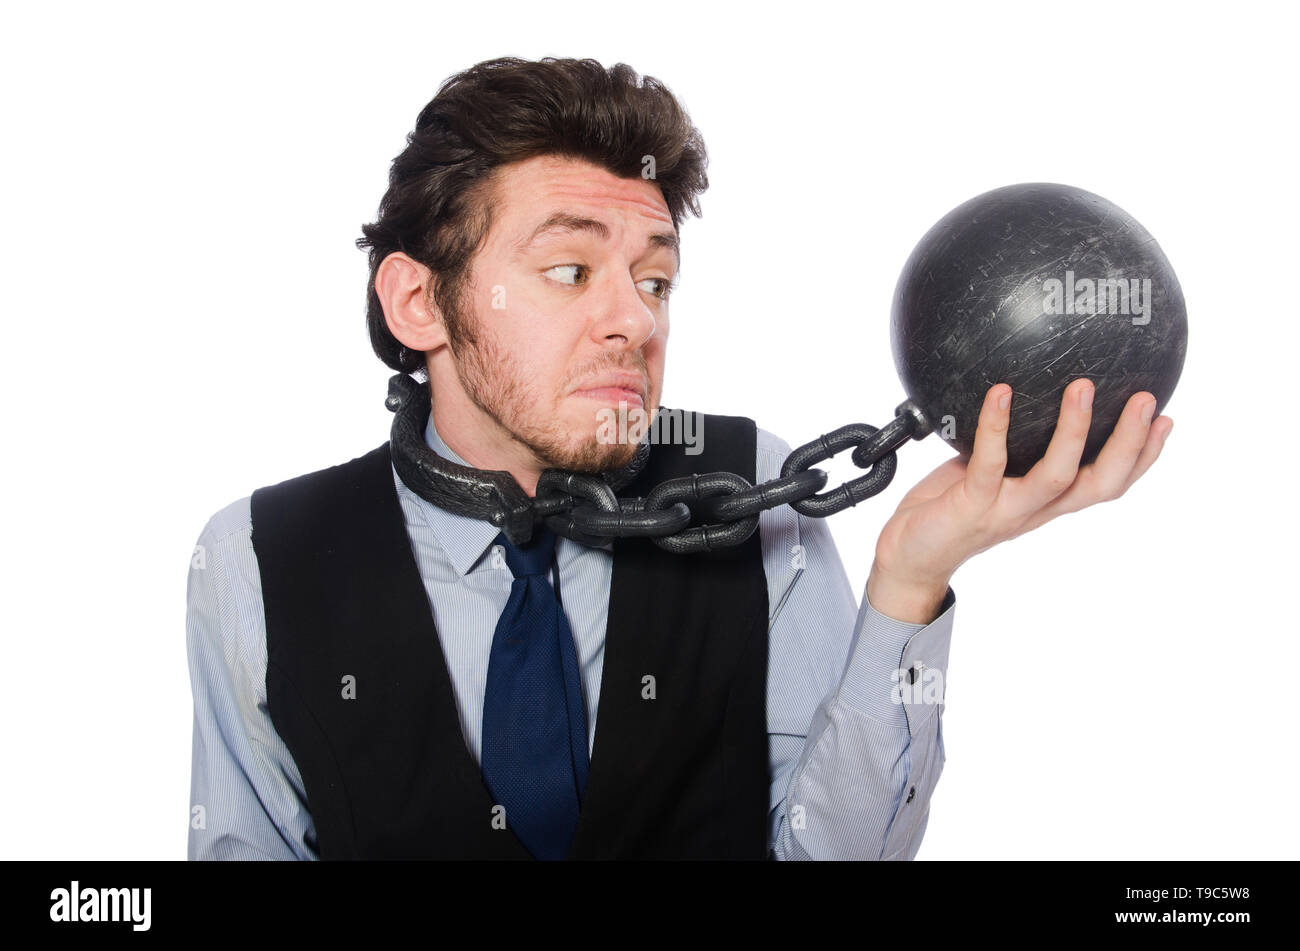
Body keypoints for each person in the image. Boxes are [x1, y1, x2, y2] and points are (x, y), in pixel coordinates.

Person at [185, 56, 1173, 861]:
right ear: (417, 305)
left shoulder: (749, 491)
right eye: (569, 270)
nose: (631, 320)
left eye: (653, 279)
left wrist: (910, 581)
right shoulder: (260, 557)